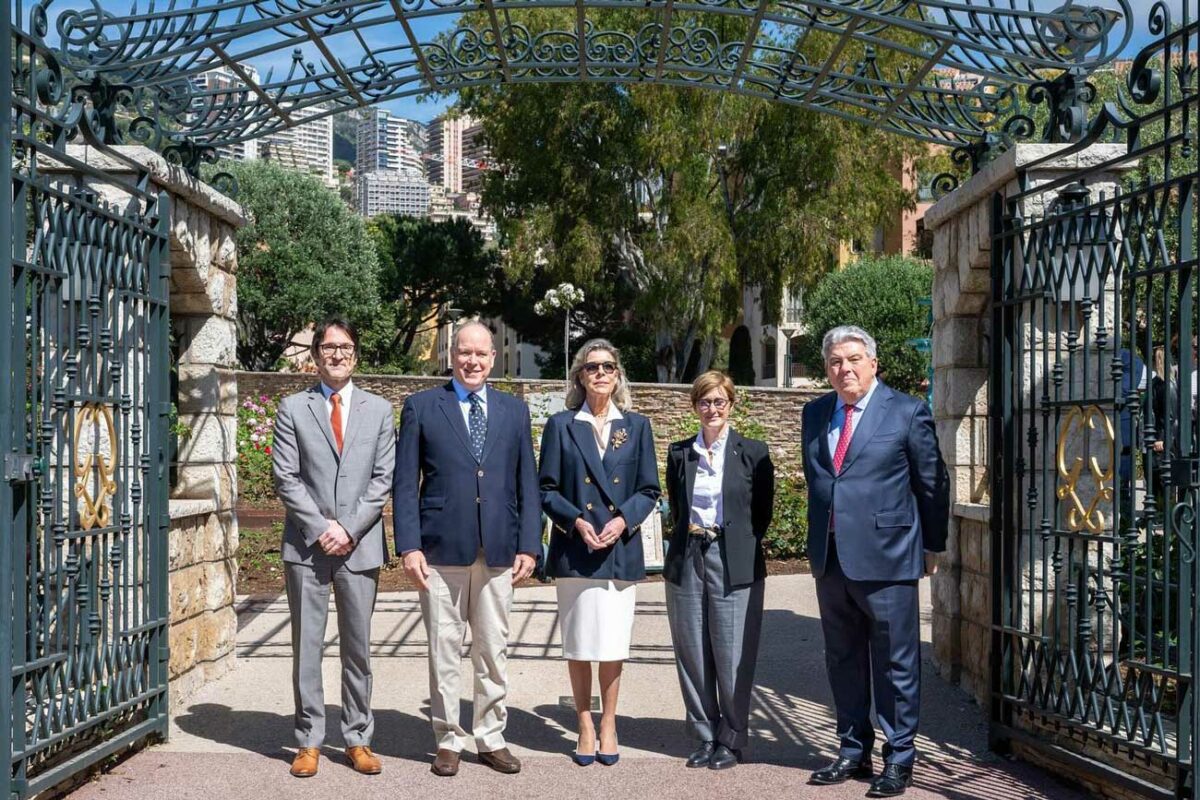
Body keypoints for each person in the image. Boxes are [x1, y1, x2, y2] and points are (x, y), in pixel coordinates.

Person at [801, 325, 949, 798]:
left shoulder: (907, 411)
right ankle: (851, 749)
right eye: (834, 362)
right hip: (832, 557)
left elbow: (932, 483)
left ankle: (900, 757)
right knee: (842, 659)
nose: (844, 369)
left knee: (895, 664)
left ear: (873, 363)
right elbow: (823, 480)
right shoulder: (815, 413)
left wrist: (934, 547)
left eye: (852, 359)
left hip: (889, 558)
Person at [393, 321, 541, 777]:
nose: (472, 361)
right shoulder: (421, 407)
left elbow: (527, 485)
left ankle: (491, 735)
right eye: (464, 352)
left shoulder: (513, 412)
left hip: (499, 549)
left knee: (493, 649)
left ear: (493, 358)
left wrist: (530, 546)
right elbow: (405, 485)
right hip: (440, 551)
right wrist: (409, 545)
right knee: (444, 648)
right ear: (450, 356)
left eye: (481, 353)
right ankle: (448, 739)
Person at [272, 316, 396, 778]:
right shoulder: (292, 409)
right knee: (307, 646)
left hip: (359, 546)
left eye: (345, 347)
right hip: (306, 547)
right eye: (329, 347)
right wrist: (321, 526)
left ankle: (358, 738)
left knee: (357, 647)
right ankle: (307, 741)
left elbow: (383, 478)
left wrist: (347, 528)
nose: (337, 354)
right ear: (316, 355)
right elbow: (286, 476)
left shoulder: (379, 411)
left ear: (356, 354)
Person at [538, 339, 661, 766]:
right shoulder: (561, 425)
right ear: (579, 376)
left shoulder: (637, 426)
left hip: (618, 549)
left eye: (609, 366)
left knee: (611, 644)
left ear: (618, 374)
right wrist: (576, 521)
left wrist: (623, 519)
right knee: (579, 643)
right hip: (577, 548)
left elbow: (649, 489)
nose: (601, 373)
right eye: (592, 367)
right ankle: (584, 723)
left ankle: (609, 722)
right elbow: (546, 488)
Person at [663, 371, 774, 770]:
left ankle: (732, 738)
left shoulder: (754, 452)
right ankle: (704, 736)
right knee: (692, 649)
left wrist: (736, 540)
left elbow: (761, 513)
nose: (712, 409)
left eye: (720, 402)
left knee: (731, 653)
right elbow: (676, 508)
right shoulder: (679, 453)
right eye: (705, 402)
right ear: (695, 406)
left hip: (734, 558)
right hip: (687, 554)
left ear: (731, 405)